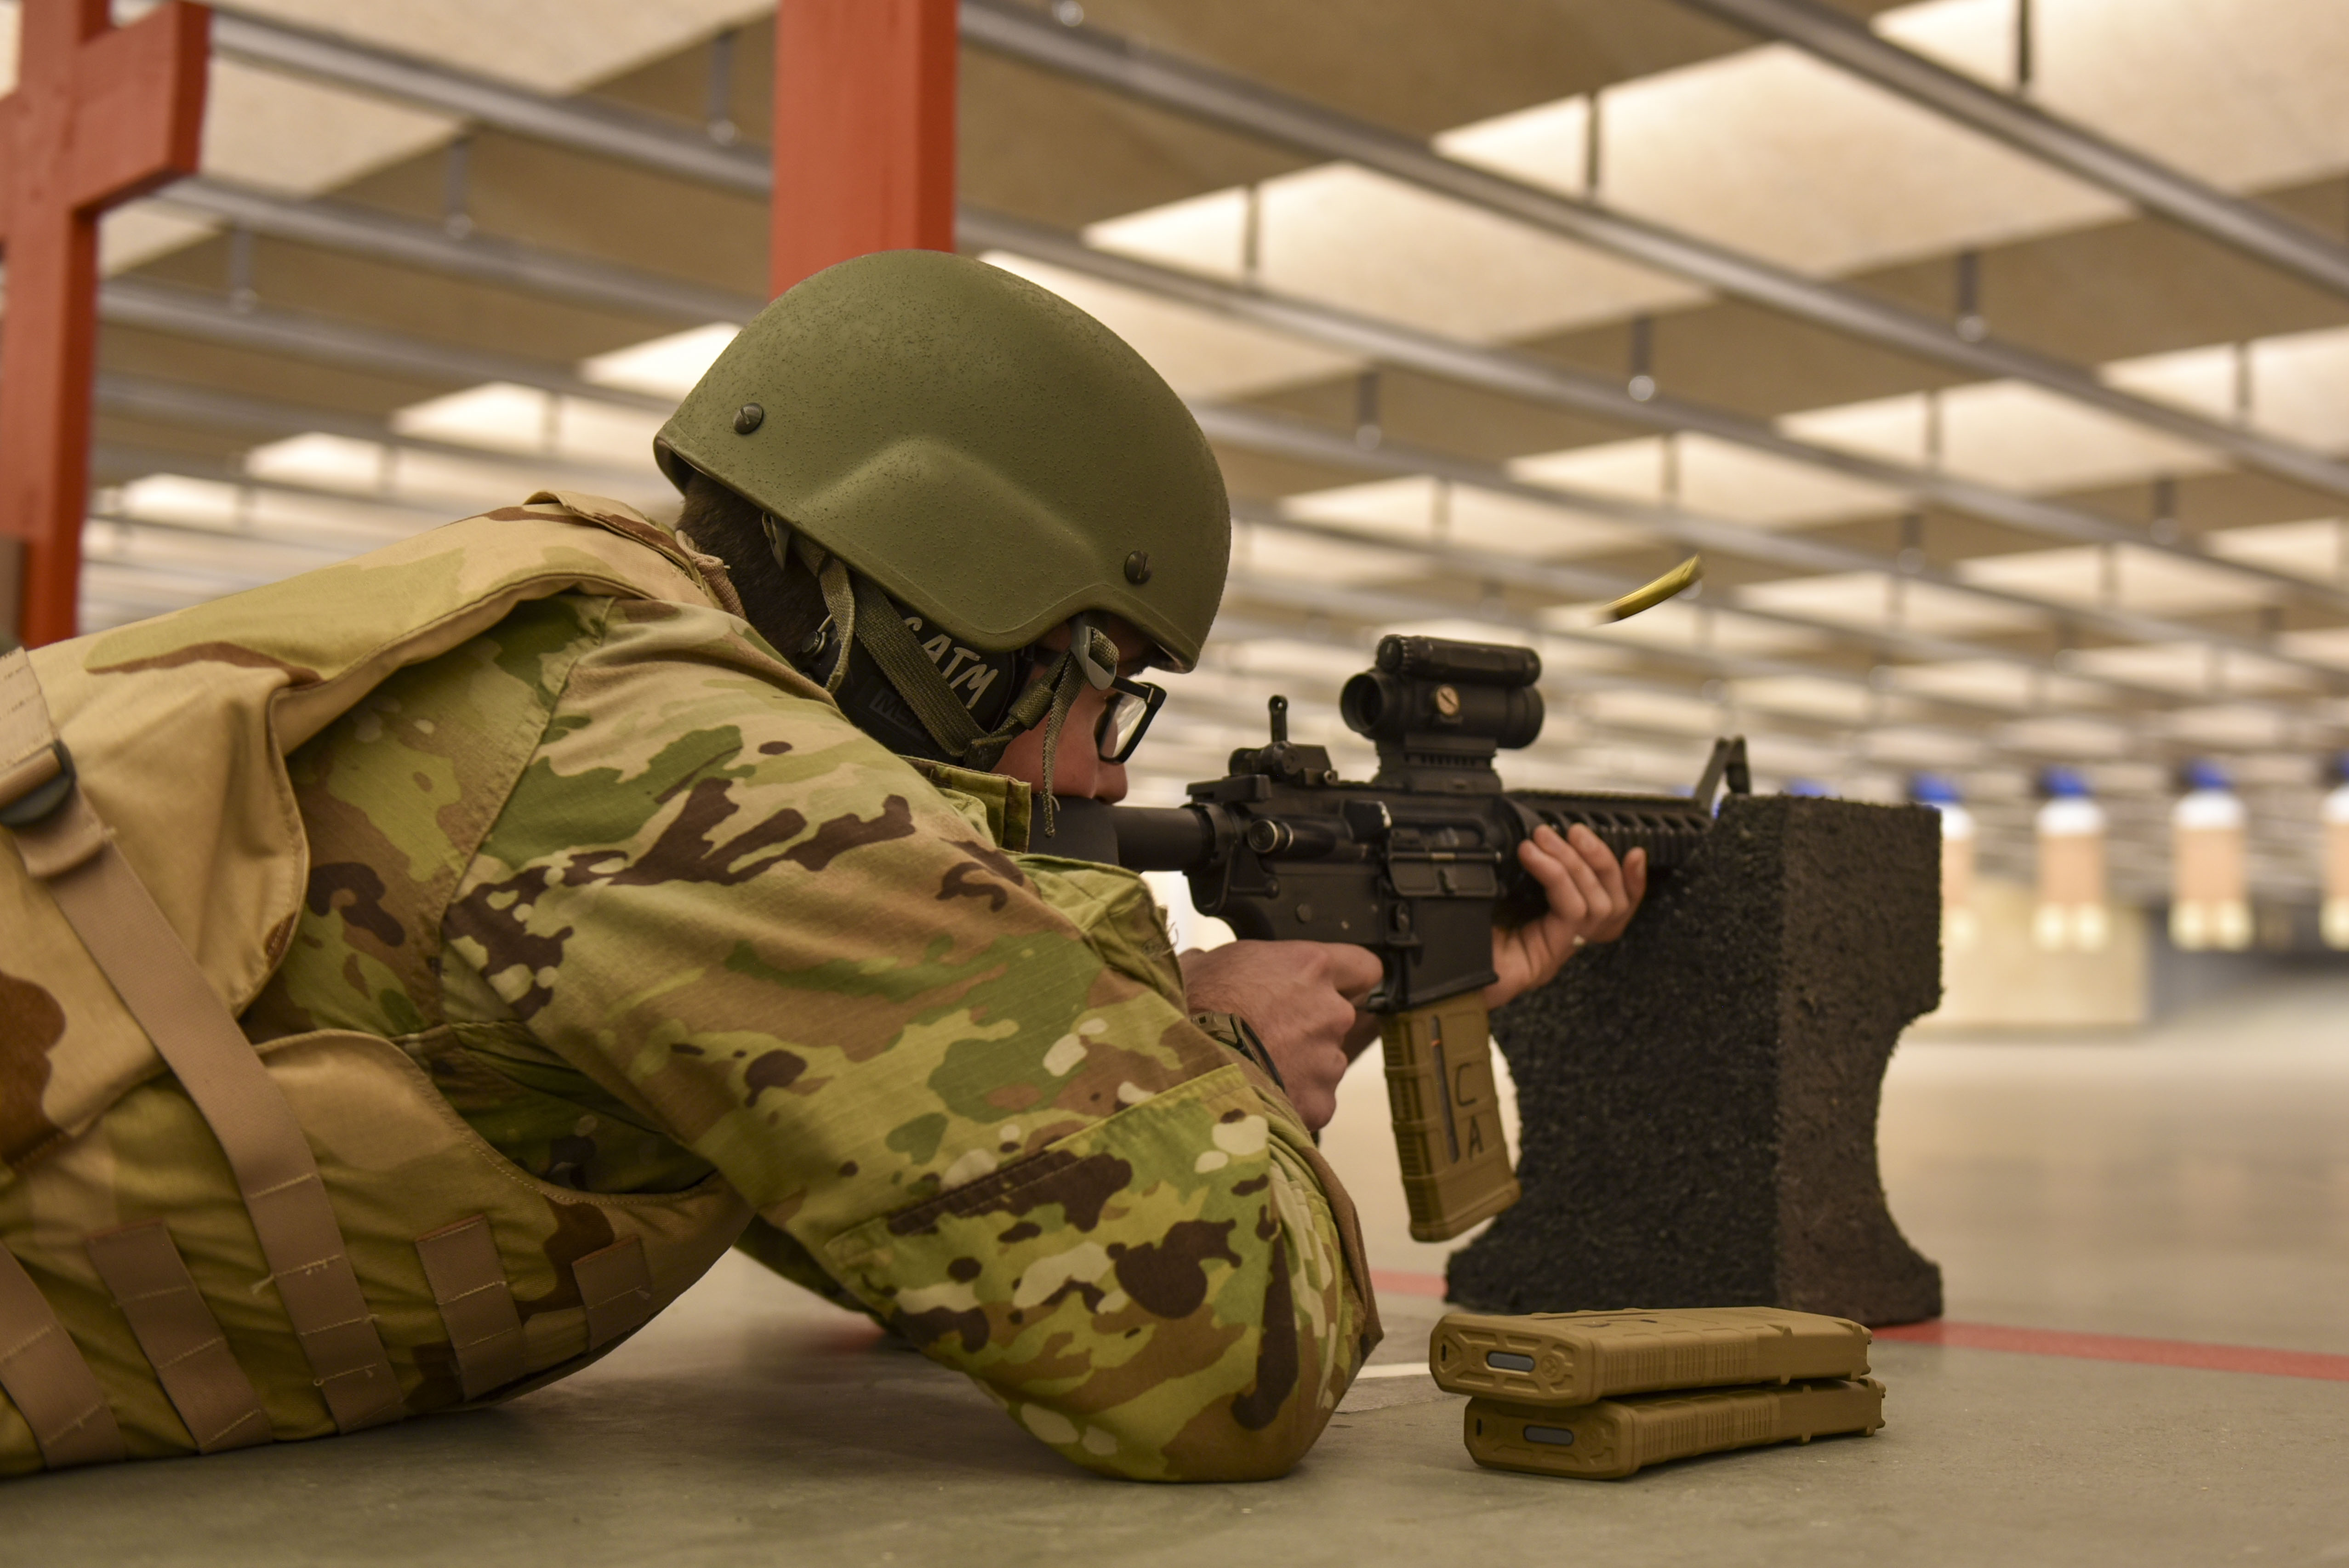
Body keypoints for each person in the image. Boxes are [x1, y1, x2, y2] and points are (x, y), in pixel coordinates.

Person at [0, 250, 1642, 1484]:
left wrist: (1169, 1014)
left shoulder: (555, 631)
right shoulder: (704, 775)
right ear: (965, 611)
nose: (1100, 765)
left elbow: (872, 1202)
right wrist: (1223, 1063)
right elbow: (1229, 1356)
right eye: (1097, 678)